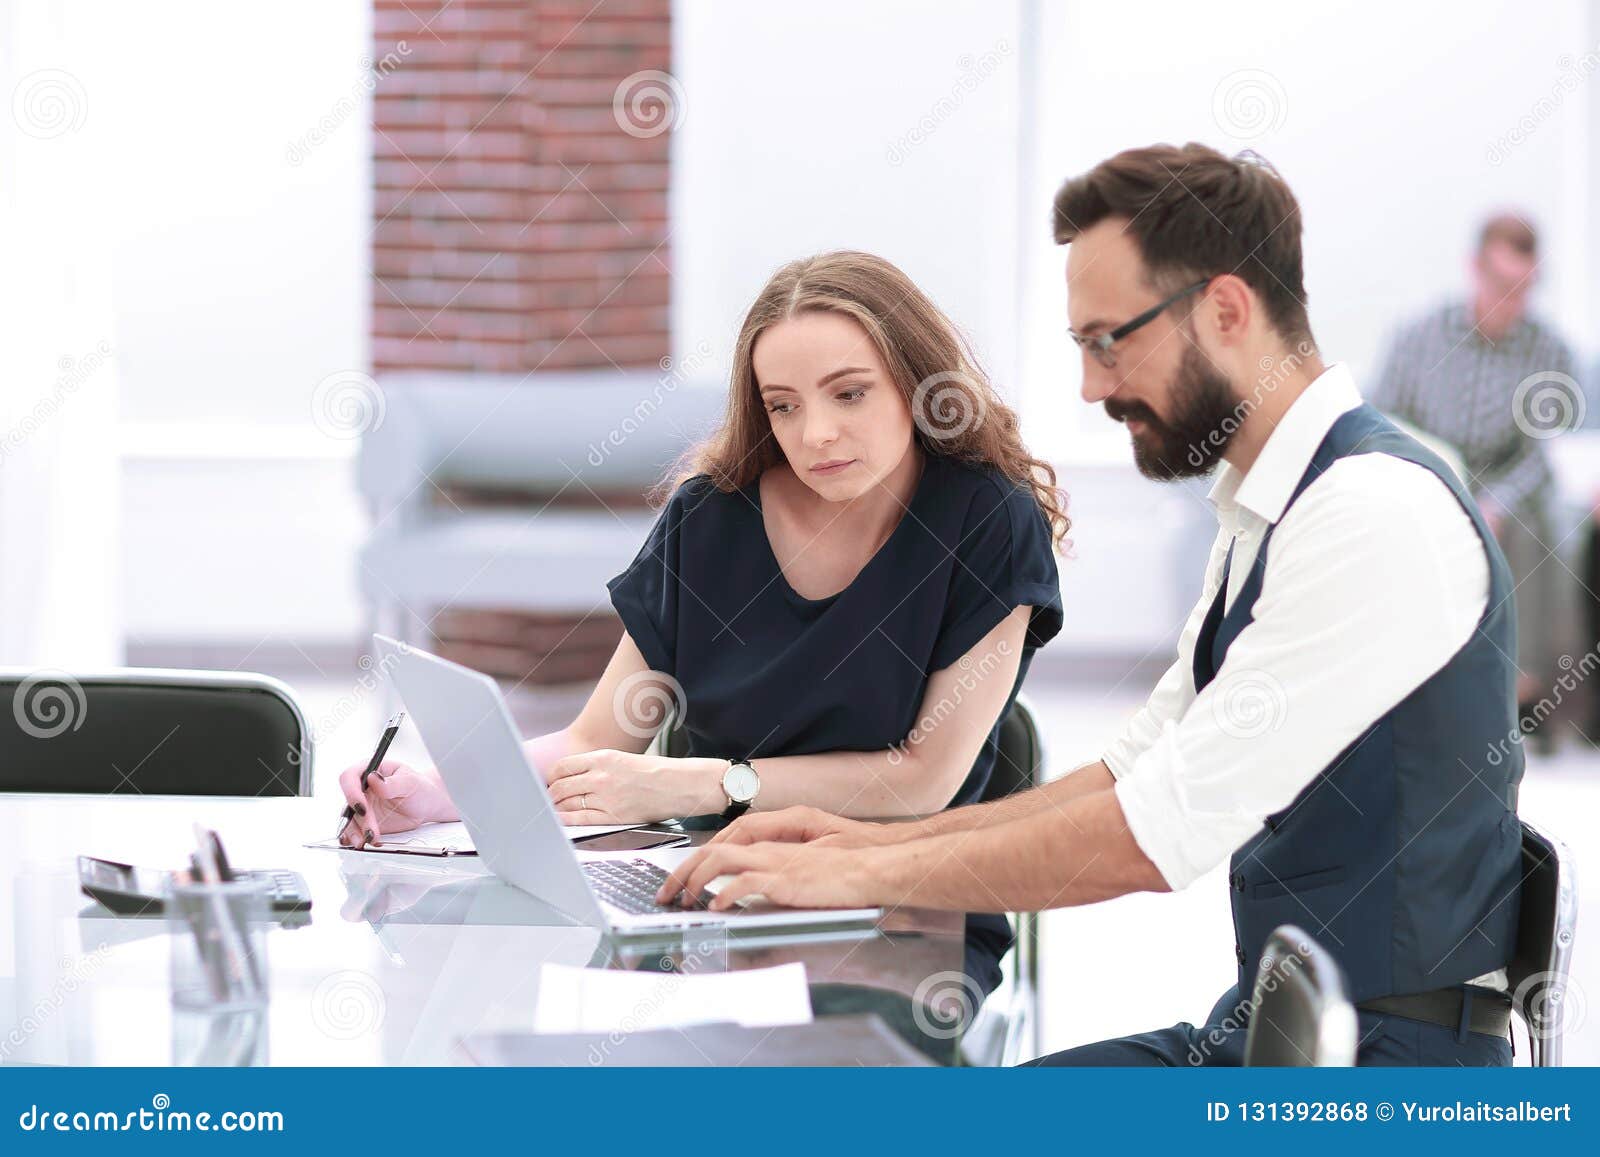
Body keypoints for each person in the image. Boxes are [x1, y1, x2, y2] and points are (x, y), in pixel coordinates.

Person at [658, 144, 1526, 1067]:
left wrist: (851, 870)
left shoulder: (1369, 514)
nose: (1092, 386)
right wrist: (846, 835)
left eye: (1108, 340)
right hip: (1271, 1037)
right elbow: (1130, 773)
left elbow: (1149, 836)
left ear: (1226, 309)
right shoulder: (1270, 508)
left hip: (1377, 1074)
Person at [339, 249, 1067, 997]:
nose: (815, 432)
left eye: (848, 394)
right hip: (721, 901)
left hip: (901, 922)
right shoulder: (711, 516)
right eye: (783, 404)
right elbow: (596, 740)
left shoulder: (988, 520)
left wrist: (702, 783)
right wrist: (437, 790)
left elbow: (922, 779)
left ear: (917, 384)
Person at [1370, 213, 1582, 729]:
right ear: (1475, 269)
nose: (1514, 299)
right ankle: (1411, 682)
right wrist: (1442, 487)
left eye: (1527, 287)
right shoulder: (1418, 337)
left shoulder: (1549, 349)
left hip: (1508, 483)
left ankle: (1520, 686)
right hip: (1431, 471)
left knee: (1533, 527)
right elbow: (1385, 421)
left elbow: (1539, 453)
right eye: (1504, 284)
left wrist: (1494, 502)